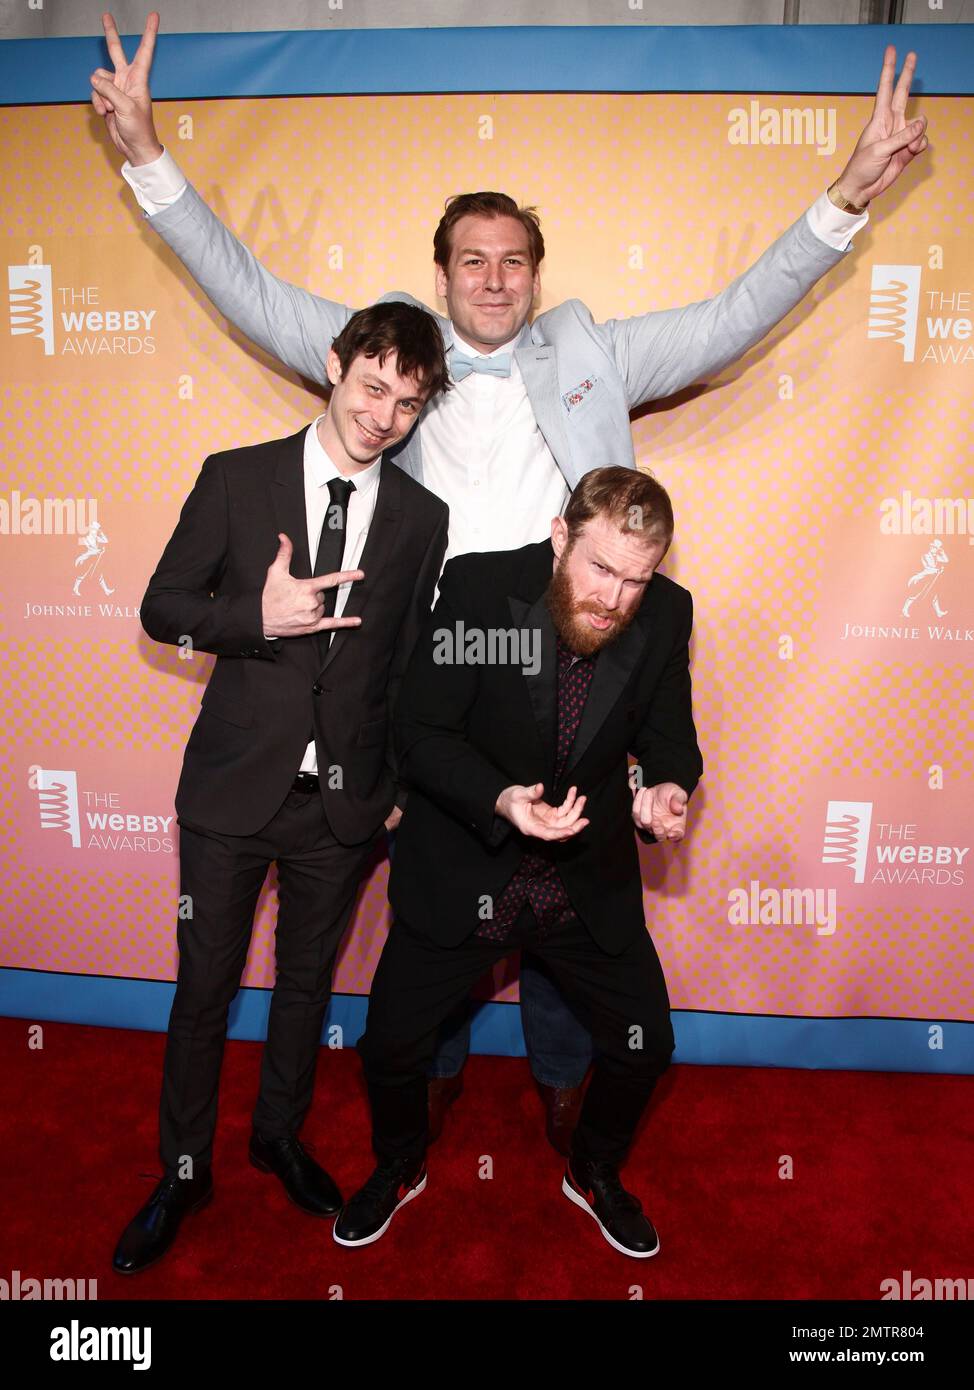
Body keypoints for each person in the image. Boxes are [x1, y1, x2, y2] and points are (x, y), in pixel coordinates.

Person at [90, 13, 928, 1150]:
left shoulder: (595, 351)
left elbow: (735, 312)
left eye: (513, 261)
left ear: (537, 276)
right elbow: (250, 290)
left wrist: (846, 193)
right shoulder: (396, 363)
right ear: (442, 273)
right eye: (472, 260)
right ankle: (422, 1079)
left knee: (568, 870)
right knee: (435, 889)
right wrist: (147, 159)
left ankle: (563, 1082)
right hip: (426, 666)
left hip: (556, 655)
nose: (494, 278)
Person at [112, 302, 450, 1273]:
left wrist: (387, 789)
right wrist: (251, 615)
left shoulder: (422, 518)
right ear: (335, 366)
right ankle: (181, 1171)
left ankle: (278, 1137)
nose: (383, 415)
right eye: (372, 385)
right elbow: (162, 608)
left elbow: (401, 666)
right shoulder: (236, 476)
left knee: (305, 986)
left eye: (407, 402)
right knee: (203, 991)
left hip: (342, 809)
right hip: (228, 795)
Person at [335, 466, 701, 1258]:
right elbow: (423, 732)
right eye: (601, 568)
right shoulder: (477, 589)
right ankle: (401, 1164)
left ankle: (593, 1169)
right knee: (390, 1047)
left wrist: (669, 786)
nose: (614, 598)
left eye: (637, 579)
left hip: (579, 878)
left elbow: (669, 732)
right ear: (561, 534)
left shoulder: (666, 615)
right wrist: (502, 798)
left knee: (647, 1044)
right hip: (474, 864)